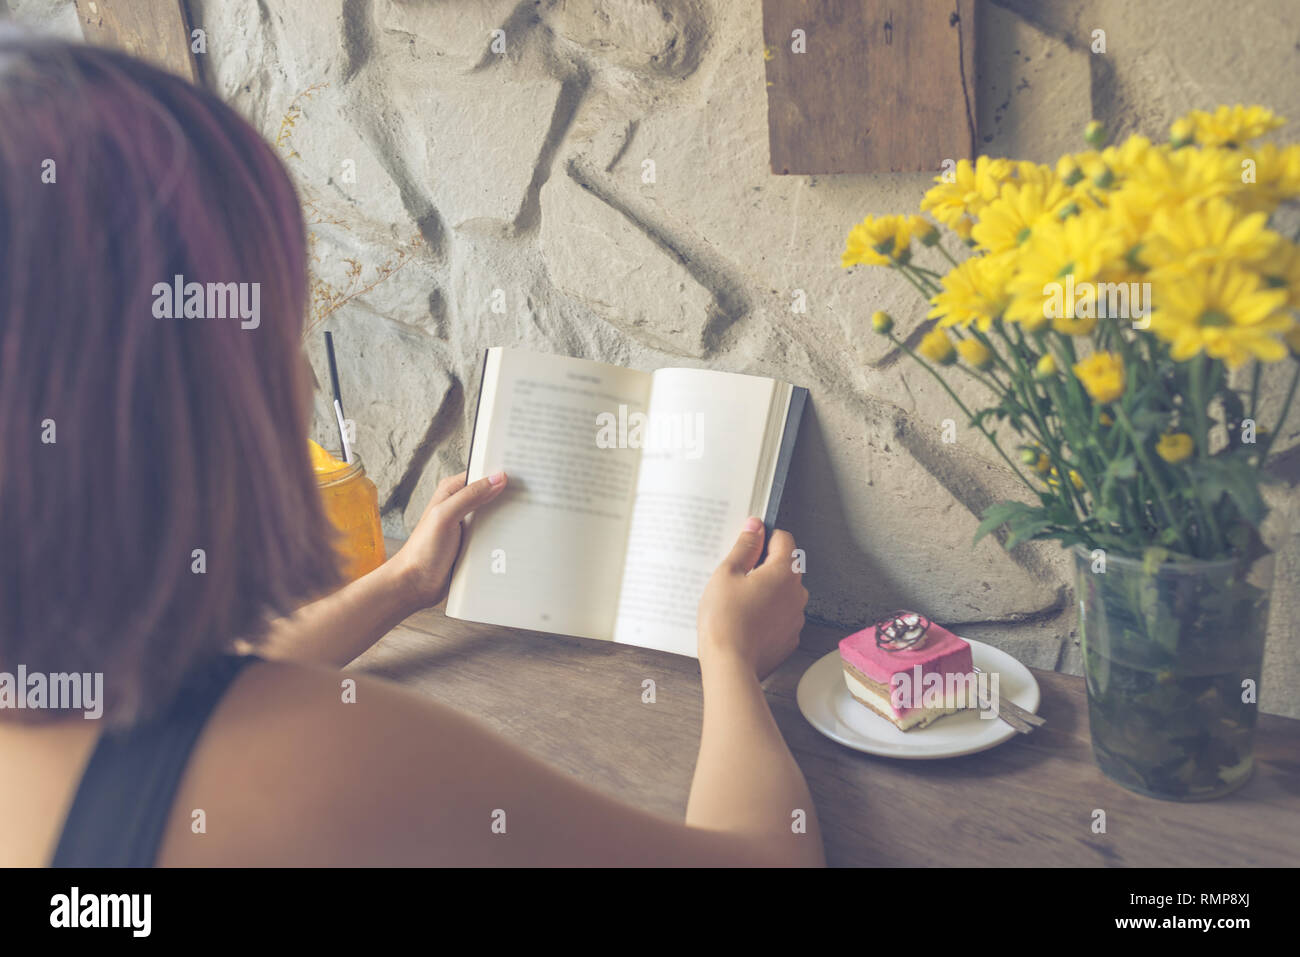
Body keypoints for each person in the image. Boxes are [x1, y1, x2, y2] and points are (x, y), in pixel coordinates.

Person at [0, 36, 821, 867]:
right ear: (182, 401)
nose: (303, 384)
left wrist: (402, 584)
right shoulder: (332, 761)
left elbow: (178, 716)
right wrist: (729, 656)